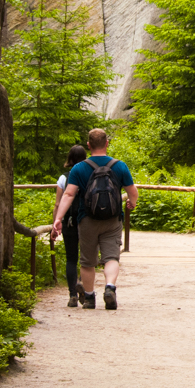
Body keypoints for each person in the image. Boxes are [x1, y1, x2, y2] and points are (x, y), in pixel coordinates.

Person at [51, 128, 139, 310]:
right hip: (112, 220)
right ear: (107, 143)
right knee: (111, 257)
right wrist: (132, 203)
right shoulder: (120, 166)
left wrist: (58, 218)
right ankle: (110, 287)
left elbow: (68, 194)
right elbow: (133, 192)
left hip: (87, 219)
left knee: (87, 261)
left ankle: (90, 298)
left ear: (89, 145)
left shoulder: (79, 168)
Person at [54, 144, 87, 308]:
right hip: (87, 221)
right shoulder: (90, 174)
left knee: (71, 259)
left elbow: (58, 203)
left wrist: (56, 223)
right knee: (87, 258)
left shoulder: (63, 178)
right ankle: (83, 285)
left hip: (69, 222)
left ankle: (72, 295)